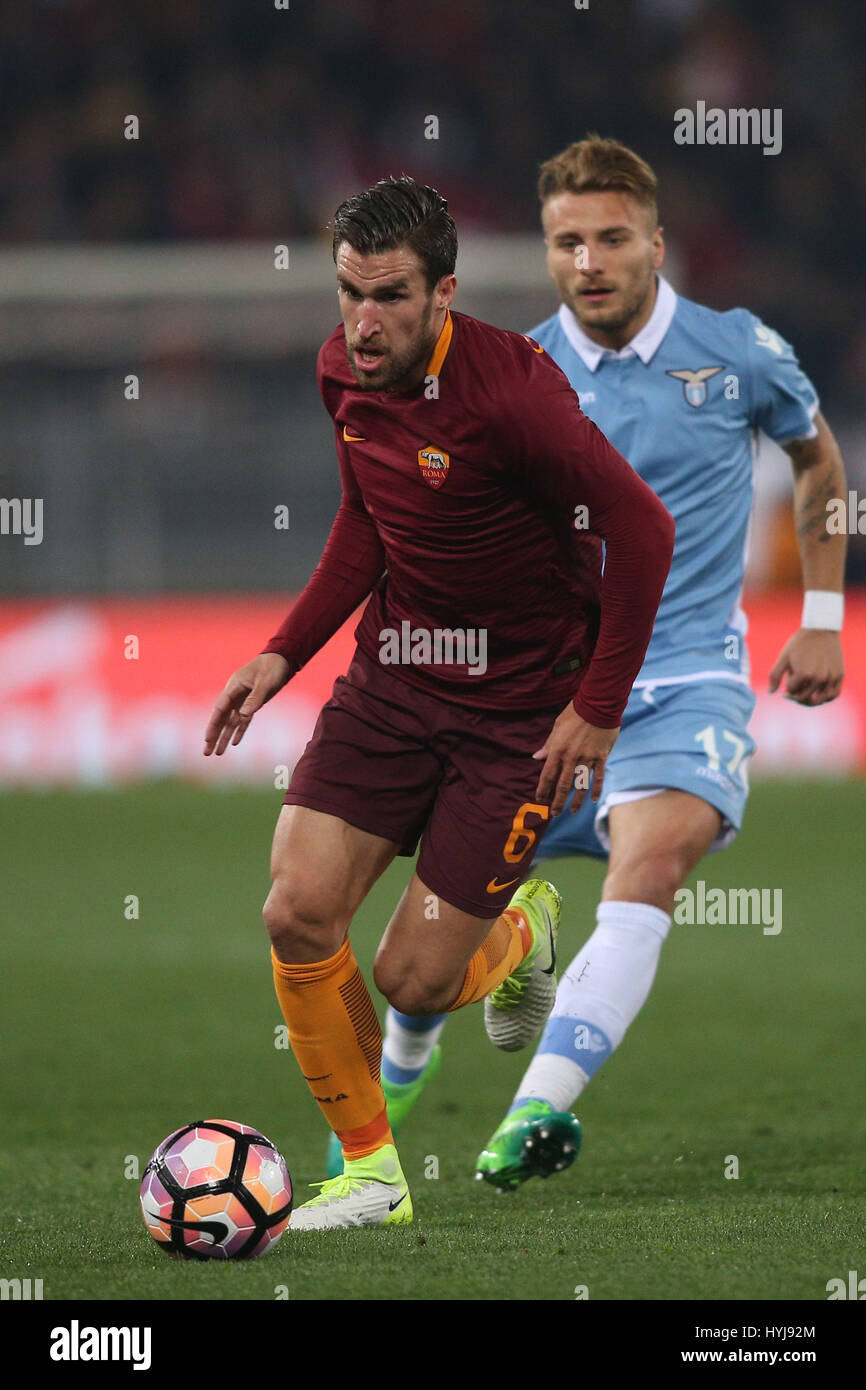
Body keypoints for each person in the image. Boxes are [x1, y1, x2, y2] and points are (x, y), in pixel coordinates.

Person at [367, 138, 848, 1193]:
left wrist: (819, 614)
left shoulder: (736, 352)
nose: (587, 261)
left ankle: (534, 1108)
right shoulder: (509, 373)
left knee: (651, 867)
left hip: (684, 680)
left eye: (609, 238)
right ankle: (414, 1051)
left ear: (654, 243)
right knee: (419, 968)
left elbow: (815, 455)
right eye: (564, 242)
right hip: (544, 697)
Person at [204, 174, 674, 1229]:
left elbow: (642, 530)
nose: (362, 325)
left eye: (389, 299)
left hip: (515, 712)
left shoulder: (513, 396)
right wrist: (284, 651)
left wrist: (596, 706)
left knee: (412, 981)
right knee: (294, 910)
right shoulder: (342, 371)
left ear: (444, 294)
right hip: (393, 680)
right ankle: (371, 1174)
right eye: (347, 294)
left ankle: (520, 931)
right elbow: (366, 521)